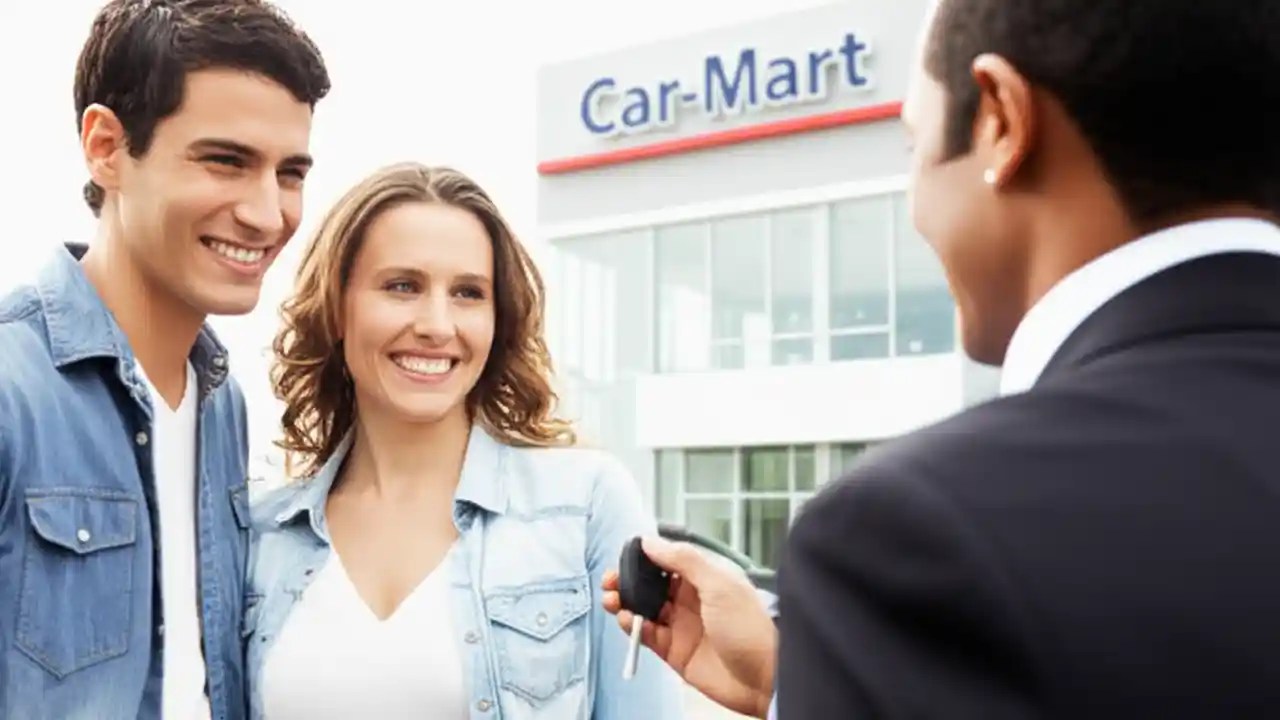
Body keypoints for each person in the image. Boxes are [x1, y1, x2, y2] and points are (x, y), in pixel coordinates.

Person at [604, 0, 1280, 717]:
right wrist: (806, 679)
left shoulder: (912, 536)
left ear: (1000, 121)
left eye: (911, 145)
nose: (913, 202)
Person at [246, 162, 684, 720]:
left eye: (468, 293)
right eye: (402, 286)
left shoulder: (586, 506)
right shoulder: (262, 536)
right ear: (337, 306)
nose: (436, 323)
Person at [0, 1, 329, 718]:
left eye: (291, 173)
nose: (268, 214)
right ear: (107, 148)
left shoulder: (223, 404)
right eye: (225, 161)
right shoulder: (10, 389)